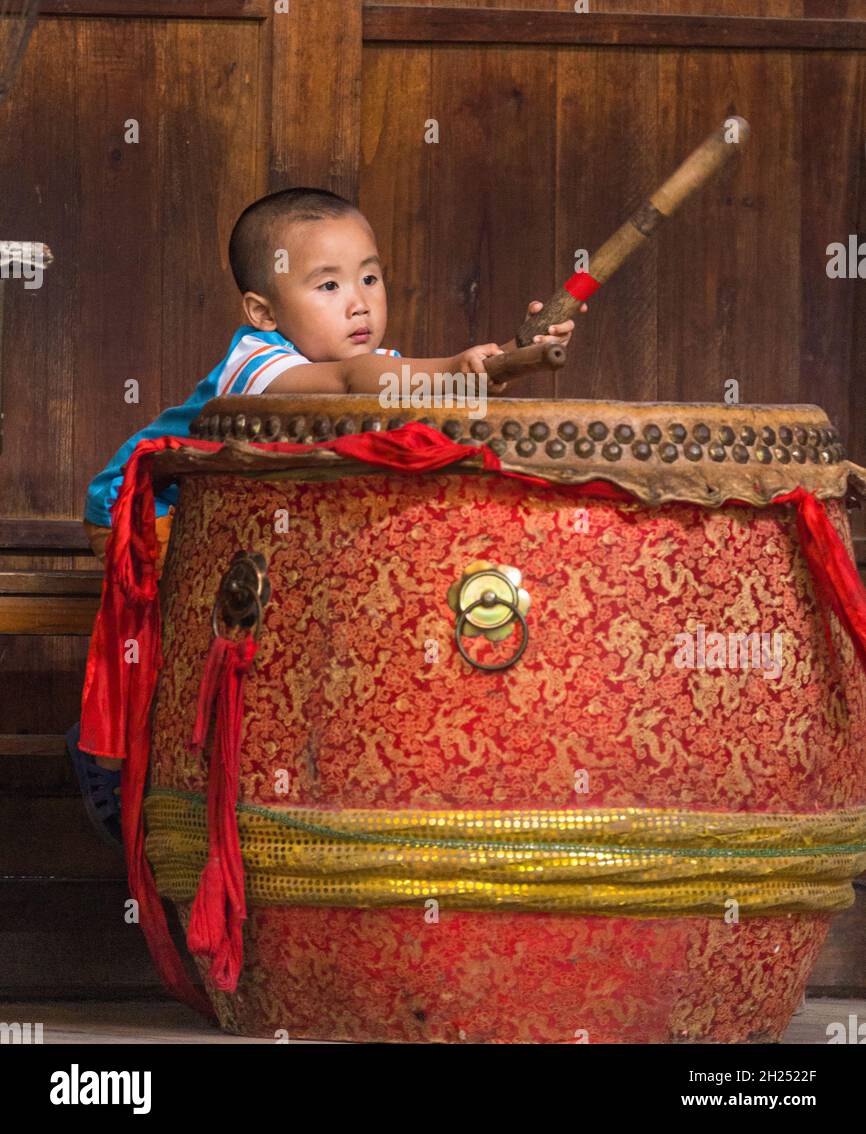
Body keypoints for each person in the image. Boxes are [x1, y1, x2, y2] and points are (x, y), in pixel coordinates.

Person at [68, 186, 581, 846]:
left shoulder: (370, 369)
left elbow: (421, 382)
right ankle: (105, 760)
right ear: (264, 309)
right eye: (329, 284)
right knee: (180, 645)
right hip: (144, 512)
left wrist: (509, 355)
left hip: (240, 520)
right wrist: (457, 369)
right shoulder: (255, 362)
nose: (360, 301)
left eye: (370, 276)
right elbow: (354, 386)